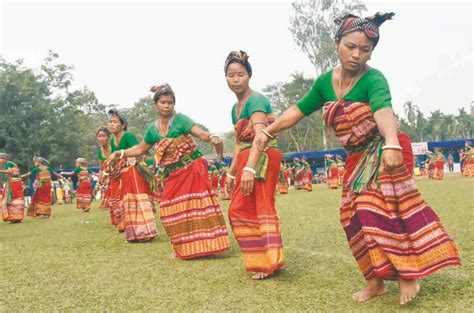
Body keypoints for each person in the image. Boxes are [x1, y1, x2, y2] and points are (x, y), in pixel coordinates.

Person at [256, 12, 460, 304]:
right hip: (356, 157)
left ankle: (407, 274)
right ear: (337, 42)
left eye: (365, 50)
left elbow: (383, 110)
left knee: (379, 209)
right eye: (350, 46)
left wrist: (391, 143)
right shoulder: (325, 82)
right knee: (351, 218)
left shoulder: (374, 78)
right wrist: (268, 131)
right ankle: (375, 281)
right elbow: (297, 111)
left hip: (384, 150)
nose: (357, 55)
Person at [106, 84, 229, 256]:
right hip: (173, 173)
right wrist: (119, 153)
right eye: (163, 102)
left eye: (170, 102)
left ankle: (207, 246)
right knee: (168, 208)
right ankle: (184, 247)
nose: (167, 106)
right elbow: (141, 148)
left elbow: (201, 134)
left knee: (197, 206)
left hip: (192, 167)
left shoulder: (181, 120)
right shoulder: (153, 128)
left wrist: (213, 137)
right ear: (156, 105)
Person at [224, 51, 284, 280]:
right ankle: (262, 258)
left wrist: (249, 168)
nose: (236, 79)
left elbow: (260, 135)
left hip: (263, 155)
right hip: (248, 157)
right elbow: (239, 142)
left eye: (240, 74)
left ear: (249, 75)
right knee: (239, 208)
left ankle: (268, 262)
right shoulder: (235, 108)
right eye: (231, 75)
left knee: (261, 205)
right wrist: (231, 174)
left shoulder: (256, 100)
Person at [106, 108, 158, 242]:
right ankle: (134, 233)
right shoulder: (112, 141)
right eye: (110, 122)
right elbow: (115, 158)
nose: (111, 124)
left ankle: (146, 232)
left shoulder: (128, 136)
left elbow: (137, 151)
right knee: (127, 201)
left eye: (114, 122)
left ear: (122, 125)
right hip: (123, 174)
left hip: (133, 171)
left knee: (137, 200)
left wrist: (124, 158)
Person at [0, 153, 25, 223]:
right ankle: (16, 217)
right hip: (16, 181)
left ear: (4, 158)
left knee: (11, 198)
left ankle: (14, 217)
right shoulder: (10, 163)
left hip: (14, 182)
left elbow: (10, 171)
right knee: (16, 198)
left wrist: (1, 171)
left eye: (0, 159)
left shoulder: (8, 164)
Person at [96, 126, 112, 209]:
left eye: (104, 136)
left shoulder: (114, 146)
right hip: (107, 176)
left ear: (108, 137)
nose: (101, 138)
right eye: (99, 136)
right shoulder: (100, 152)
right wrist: (99, 182)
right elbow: (101, 167)